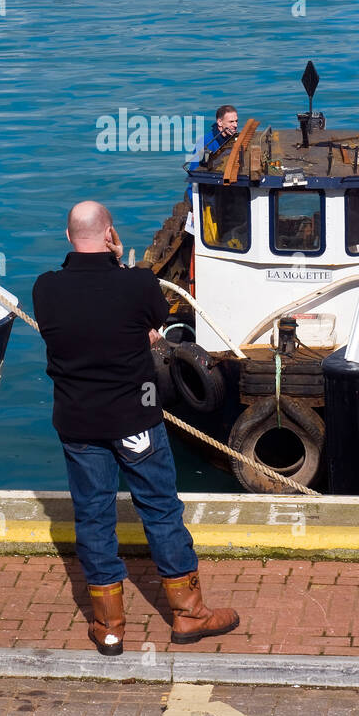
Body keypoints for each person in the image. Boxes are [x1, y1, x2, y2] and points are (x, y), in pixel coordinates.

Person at [32, 200, 238, 656]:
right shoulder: (138, 283)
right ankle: (189, 614)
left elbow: (82, 321)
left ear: (69, 238)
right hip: (136, 420)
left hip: (79, 422)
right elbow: (150, 320)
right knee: (160, 510)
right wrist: (121, 262)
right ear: (109, 235)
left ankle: (109, 626)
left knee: (93, 516)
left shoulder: (45, 290)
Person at [187, 103, 239, 172]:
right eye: (231, 122)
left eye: (236, 121)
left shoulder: (233, 137)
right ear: (220, 122)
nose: (235, 125)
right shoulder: (204, 143)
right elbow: (193, 172)